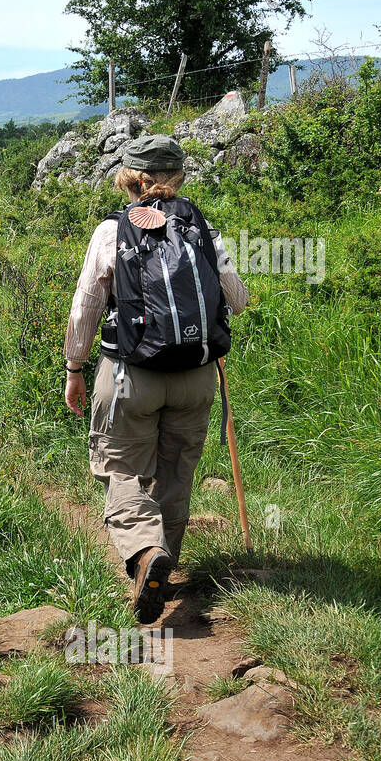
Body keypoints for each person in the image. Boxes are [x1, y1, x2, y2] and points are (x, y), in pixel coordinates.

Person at [62, 134, 249, 623]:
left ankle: (146, 553)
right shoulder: (204, 228)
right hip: (196, 376)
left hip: (129, 376)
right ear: (178, 175)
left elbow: (86, 307)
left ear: (132, 178)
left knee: (121, 468)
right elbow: (238, 297)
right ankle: (165, 561)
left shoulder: (112, 232)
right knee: (176, 474)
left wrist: (75, 368)